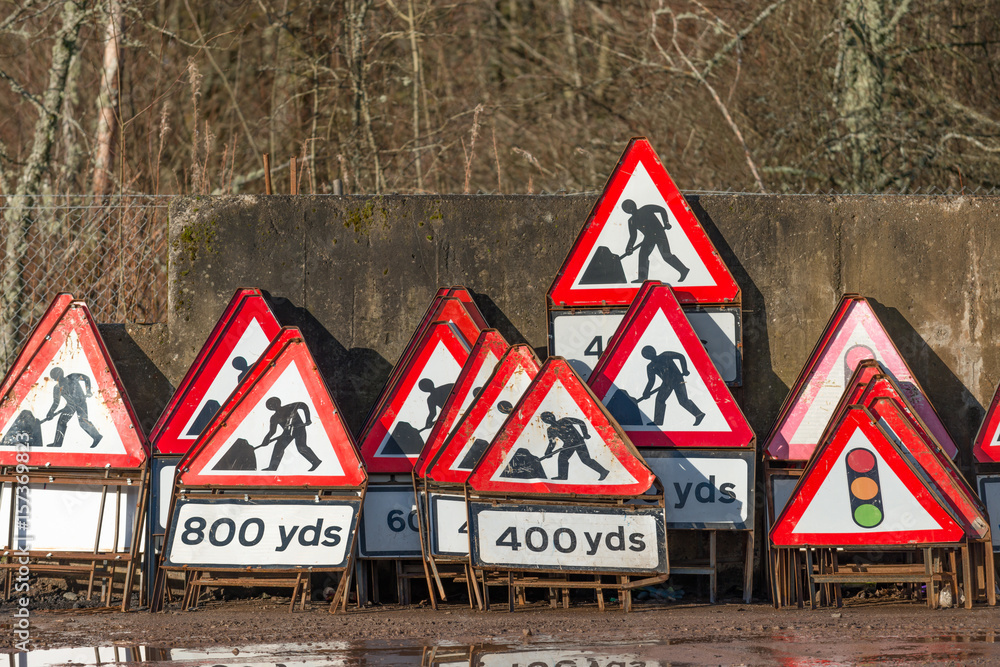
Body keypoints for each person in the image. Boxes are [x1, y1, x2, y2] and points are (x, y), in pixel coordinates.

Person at [620, 199, 689, 283]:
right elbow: (633, 236)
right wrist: (629, 247)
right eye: (627, 209)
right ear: (626, 211)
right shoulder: (631, 221)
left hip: (659, 234)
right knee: (642, 255)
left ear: (634, 205)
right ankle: (642, 278)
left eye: (630, 207)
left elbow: (662, 210)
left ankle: (683, 270)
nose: (630, 210)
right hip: (649, 238)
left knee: (666, 256)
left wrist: (666, 222)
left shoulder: (646, 209)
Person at [639, 345, 705, 426]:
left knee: (683, 400)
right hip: (666, 384)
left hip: (677, 380)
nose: (649, 355)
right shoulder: (650, 367)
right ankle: (658, 421)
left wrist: (684, 369)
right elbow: (651, 381)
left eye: (650, 352)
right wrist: (646, 392)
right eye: (646, 354)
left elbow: (681, 356)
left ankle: (699, 414)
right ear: (645, 357)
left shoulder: (665, 355)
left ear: (654, 351)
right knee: (659, 400)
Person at [540, 411, 609, 481]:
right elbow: (552, 442)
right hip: (568, 446)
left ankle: (603, 471)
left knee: (585, 459)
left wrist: (585, 434)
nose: (549, 420)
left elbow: (581, 422)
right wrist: (548, 451)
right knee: (562, 458)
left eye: (549, 417)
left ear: (553, 416)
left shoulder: (565, 420)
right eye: (546, 419)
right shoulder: (550, 430)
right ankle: (562, 476)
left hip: (579, 442)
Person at [43, 367, 102, 448]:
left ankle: (97, 436)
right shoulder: (57, 388)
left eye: (55, 376)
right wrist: (50, 412)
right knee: (61, 421)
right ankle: (57, 443)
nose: (54, 379)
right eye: (53, 377)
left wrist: (88, 391)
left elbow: (86, 378)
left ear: (59, 374)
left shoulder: (71, 377)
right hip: (70, 405)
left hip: (80, 402)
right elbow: (56, 402)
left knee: (83, 422)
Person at [260, 397, 322, 471]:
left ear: (278, 403)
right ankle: (273, 467)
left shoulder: (289, 407)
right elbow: (272, 431)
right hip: (287, 432)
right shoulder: (274, 418)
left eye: (274, 404)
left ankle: (316, 461)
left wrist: (308, 419)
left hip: (299, 428)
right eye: (271, 406)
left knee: (301, 447)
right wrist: (266, 439)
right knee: (278, 446)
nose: (274, 406)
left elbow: (303, 405)